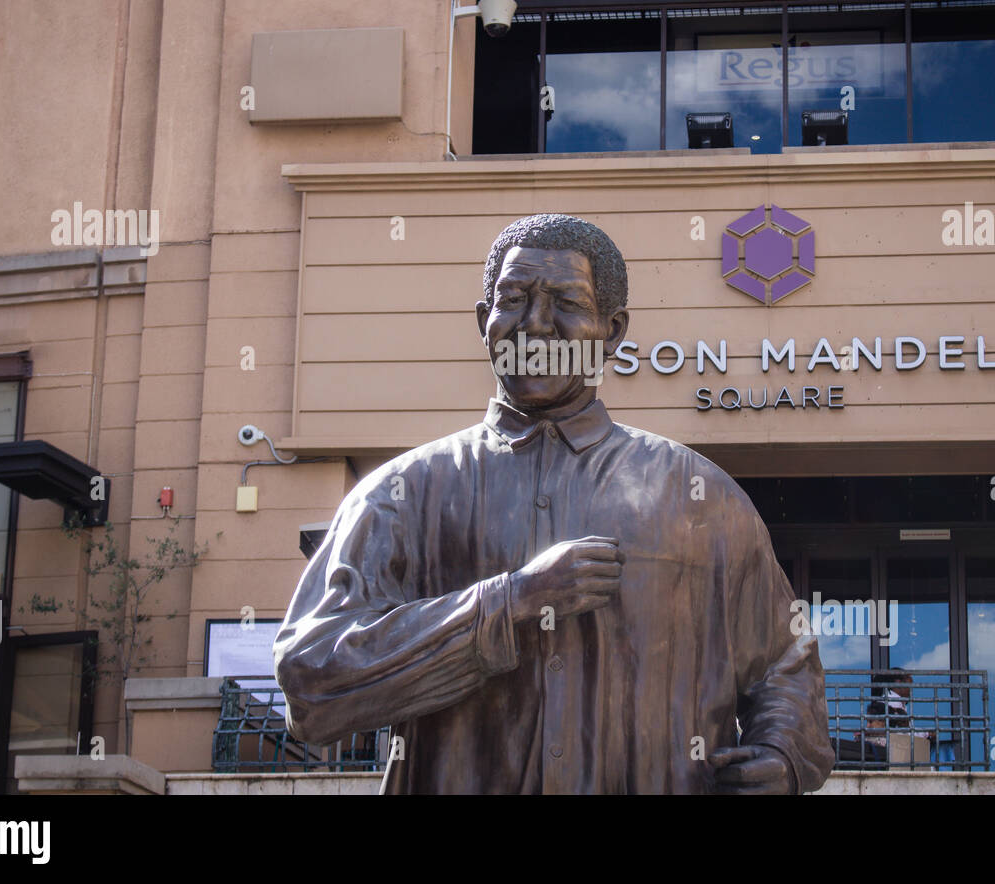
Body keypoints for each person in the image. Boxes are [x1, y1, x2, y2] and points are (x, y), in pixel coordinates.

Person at [274, 213, 835, 794]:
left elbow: (785, 666)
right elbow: (311, 684)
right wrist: (510, 602)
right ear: (481, 321)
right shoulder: (401, 494)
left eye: (566, 302)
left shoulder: (702, 498)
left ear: (612, 330)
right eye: (513, 299)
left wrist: (782, 753)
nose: (536, 325)